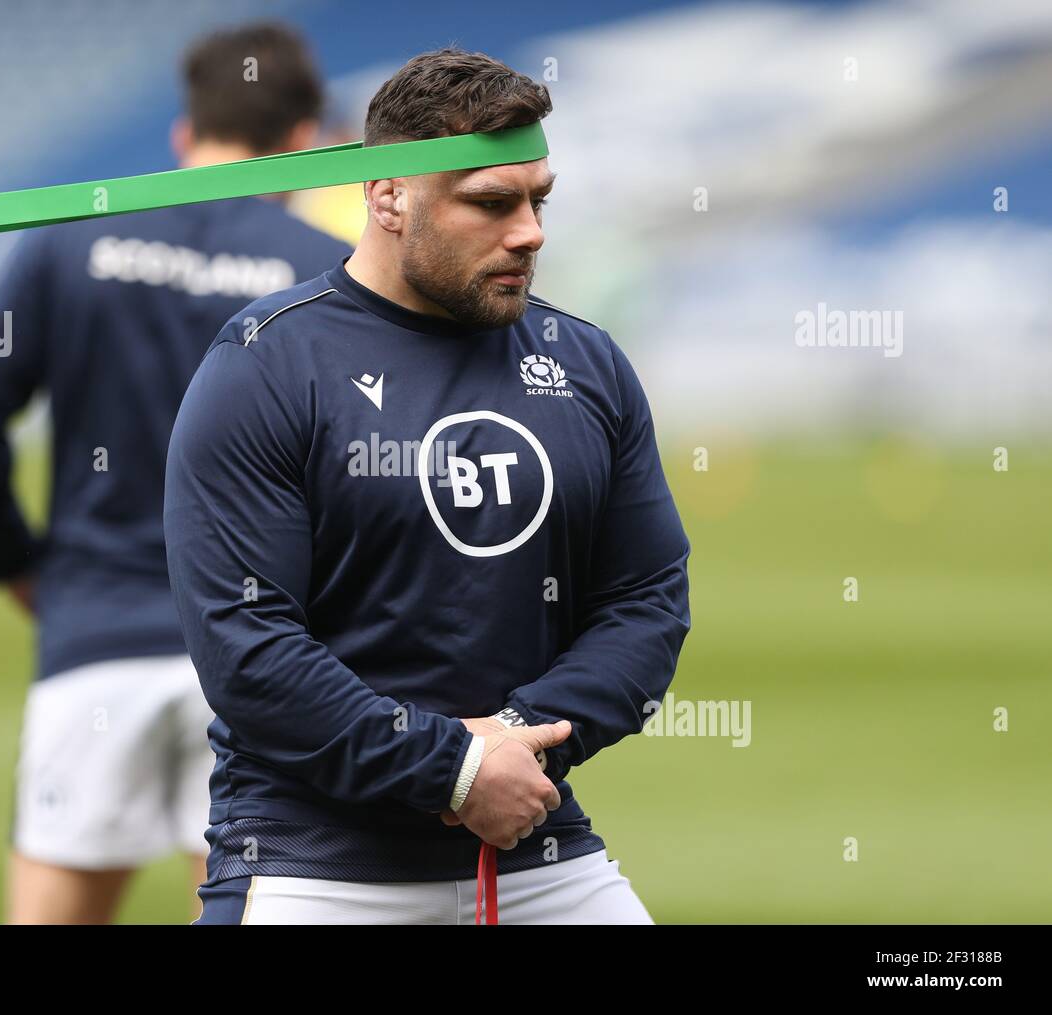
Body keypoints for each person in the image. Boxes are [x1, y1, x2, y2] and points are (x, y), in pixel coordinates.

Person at [163, 47, 692, 925]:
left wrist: (517, 742)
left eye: (538, 199)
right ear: (389, 197)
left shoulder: (588, 362)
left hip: (537, 852)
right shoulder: (265, 363)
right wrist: (448, 764)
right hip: (317, 864)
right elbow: (246, 646)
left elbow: (647, 601)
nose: (530, 231)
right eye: (492, 202)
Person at [0, 22, 351, 924]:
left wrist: (18, 567)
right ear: (306, 141)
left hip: (95, 645)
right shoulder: (326, 274)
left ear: (183, 132)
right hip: (260, 661)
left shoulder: (71, 239)